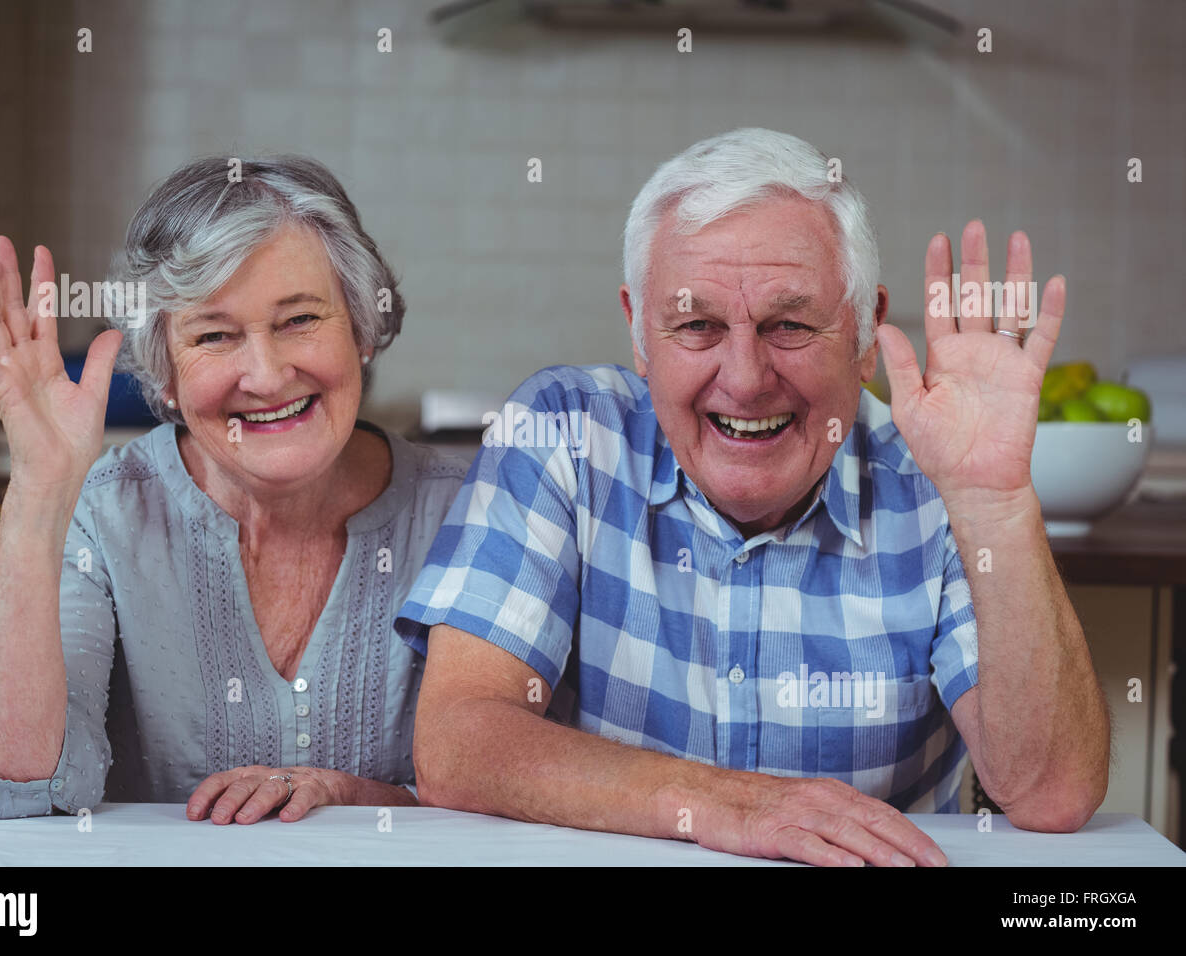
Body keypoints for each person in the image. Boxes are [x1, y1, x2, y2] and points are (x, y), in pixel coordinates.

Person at [397, 128, 1109, 866]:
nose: (744, 378)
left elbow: (1049, 793)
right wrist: (723, 805)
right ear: (640, 330)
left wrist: (994, 501)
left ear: (865, 335)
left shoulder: (933, 476)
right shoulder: (563, 435)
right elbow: (459, 742)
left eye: (790, 325)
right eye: (698, 325)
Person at [0, 156, 466, 824]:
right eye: (214, 335)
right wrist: (41, 490)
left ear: (361, 330)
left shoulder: (469, 513)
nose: (267, 377)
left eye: (299, 320)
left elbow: (524, 785)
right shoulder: (105, 513)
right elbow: (7, 786)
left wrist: (359, 798)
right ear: (166, 381)